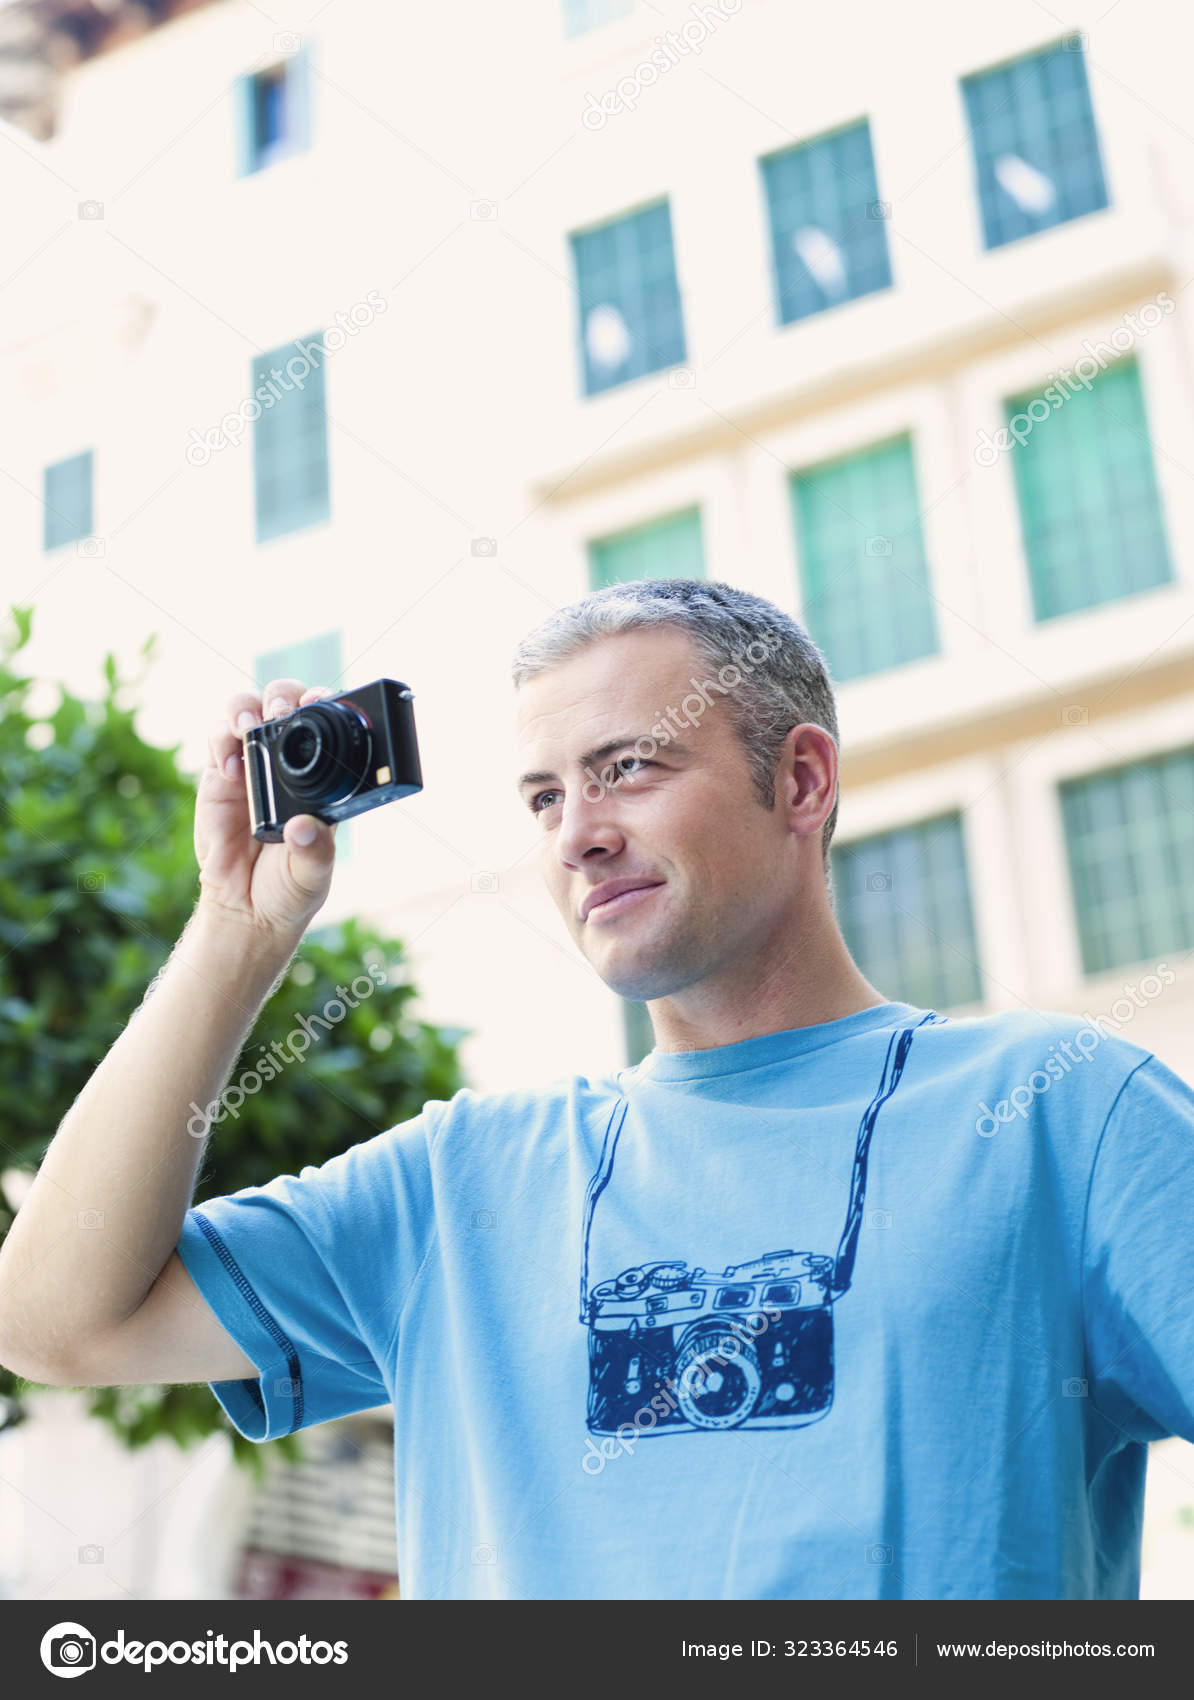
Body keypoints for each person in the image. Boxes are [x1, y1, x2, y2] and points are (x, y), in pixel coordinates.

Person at [1, 577, 1192, 1602]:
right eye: (543, 796)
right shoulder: (455, 1183)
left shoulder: (1062, 1111)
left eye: (629, 768)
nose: (577, 833)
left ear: (803, 780)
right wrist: (233, 933)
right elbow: (56, 1321)